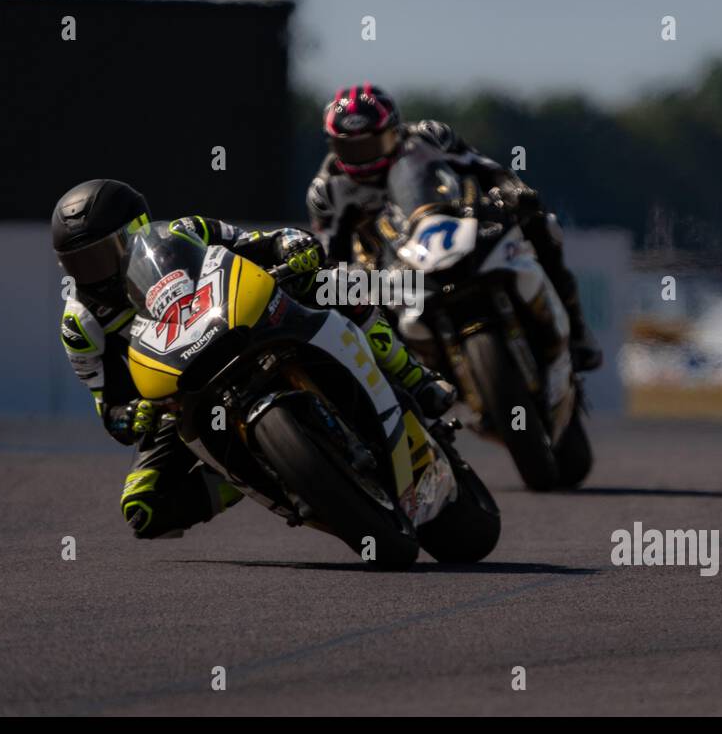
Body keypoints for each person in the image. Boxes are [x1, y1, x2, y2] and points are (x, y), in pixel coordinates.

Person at [50, 178, 453, 539]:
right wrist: (131, 415)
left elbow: (255, 242)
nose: (94, 275)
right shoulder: (81, 324)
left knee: (335, 283)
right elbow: (110, 410)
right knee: (143, 508)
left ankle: (414, 375)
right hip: (182, 390)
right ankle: (270, 473)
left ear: (136, 230)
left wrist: (290, 245)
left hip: (248, 319)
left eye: (101, 257)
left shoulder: (186, 232)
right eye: (79, 264)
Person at [306, 83, 602, 372]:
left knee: (543, 224)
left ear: (393, 131)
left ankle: (577, 330)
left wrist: (515, 190)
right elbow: (331, 257)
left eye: (372, 144)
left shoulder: (430, 138)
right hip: (391, 274)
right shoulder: (325, 190)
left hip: (456, 230)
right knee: (351, 313)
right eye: (350, 148)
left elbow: (487, 169)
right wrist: (350, 280)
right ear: (333, 144)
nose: (364, 157)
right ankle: (409, 395)